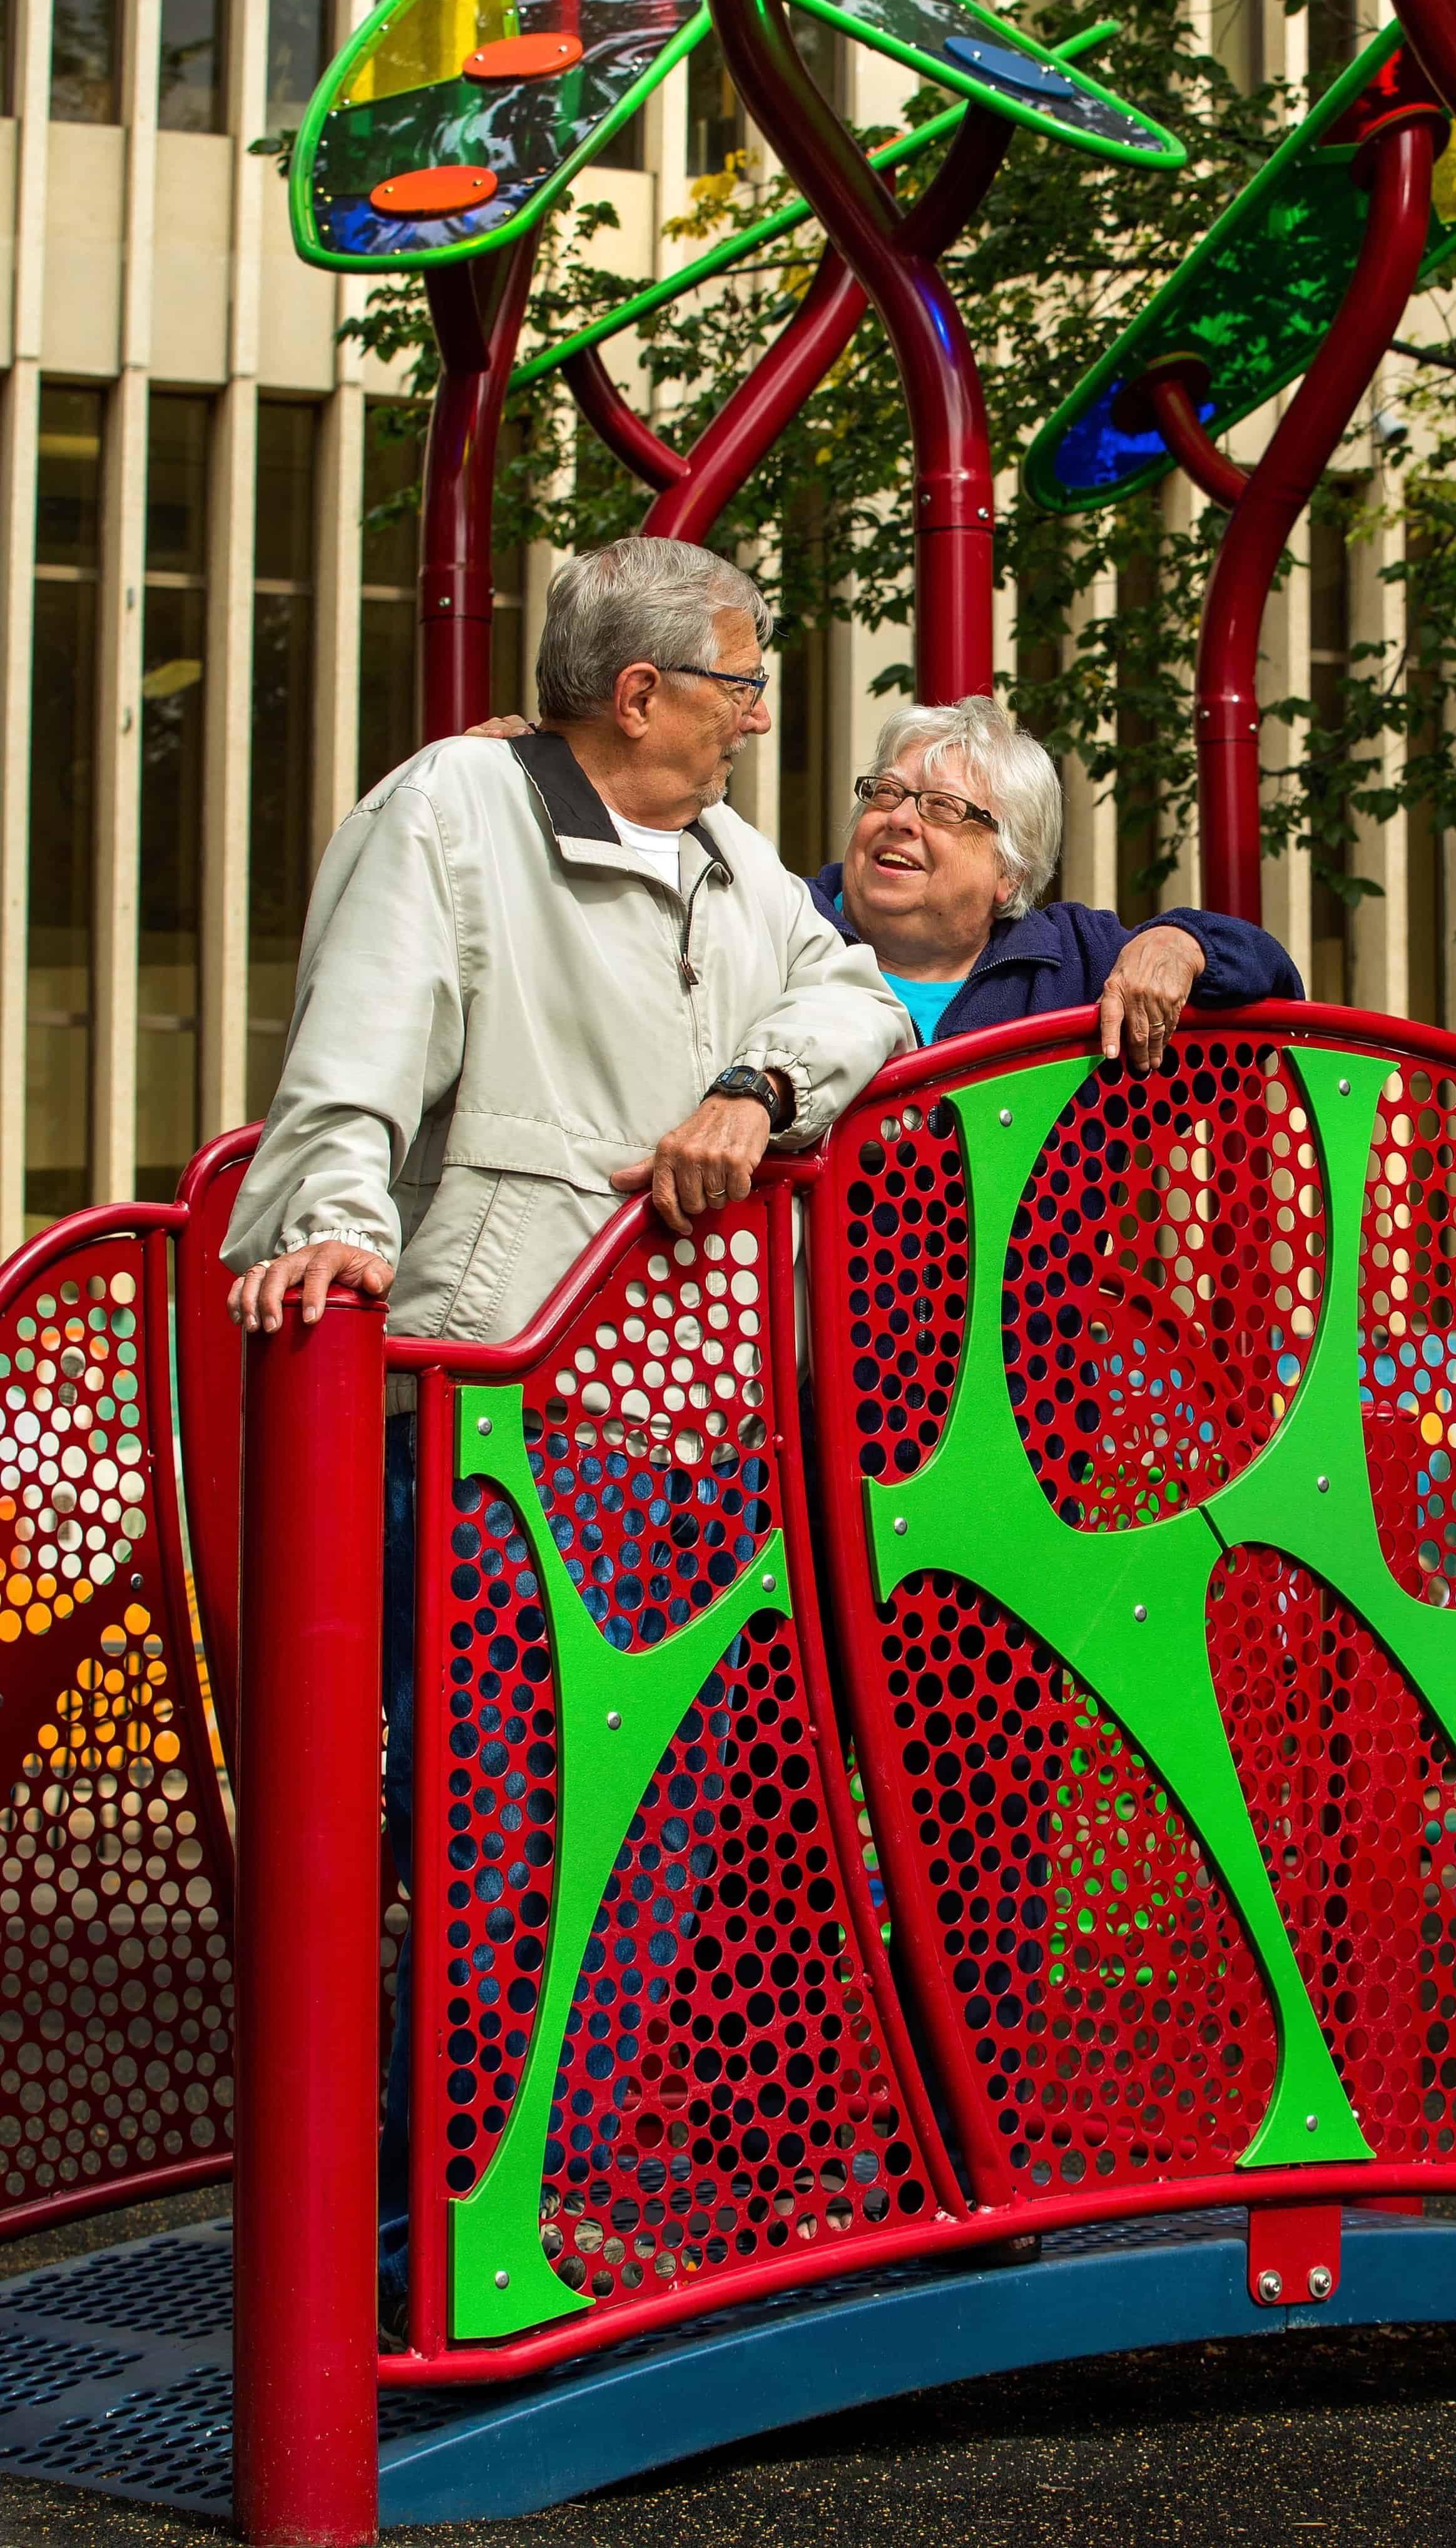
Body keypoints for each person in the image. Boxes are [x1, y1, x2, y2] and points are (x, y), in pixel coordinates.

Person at [221, 533, 910, 2333]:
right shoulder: (457, 809)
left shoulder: (731, 859)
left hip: (695, 1417)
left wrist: (752, 1087)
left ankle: (557, 2208)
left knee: (647, 1836)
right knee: (493, 1830)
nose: (757, 720)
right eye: (741, 685)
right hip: (517, 1408)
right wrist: (332, 1228)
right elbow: (358, 1049)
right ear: (641, 690)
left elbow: (855, 997)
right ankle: (433, 2242)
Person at [812, 694, 1303, 1064]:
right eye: (886, 792)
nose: (898, 818)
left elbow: (1276, 988)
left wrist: (1182, 944)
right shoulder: (787, 924)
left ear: (1010, 872)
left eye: (942, 806)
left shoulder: (1077, 961)